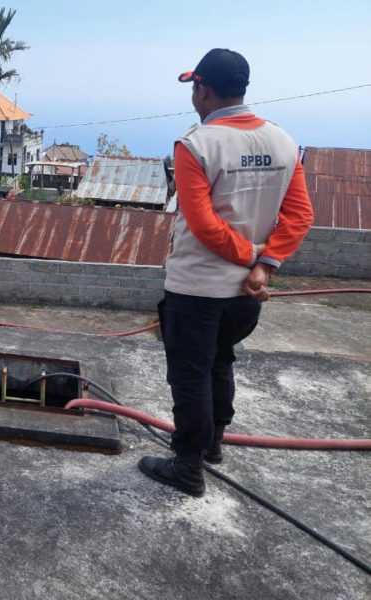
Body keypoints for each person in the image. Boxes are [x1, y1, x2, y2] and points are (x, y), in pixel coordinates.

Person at [138, 49, 314, 497]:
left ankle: (188, 467)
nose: (194, 96)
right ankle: (214, 443)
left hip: (197, 288)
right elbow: (299, 216)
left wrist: (249, 259)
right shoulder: (283, 142)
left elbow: (202, 224)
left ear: (205, 90)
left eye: (195, 88)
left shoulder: (196, 144)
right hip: (244, 297)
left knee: (190, 374)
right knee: (220, 361)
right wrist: (264, 265)